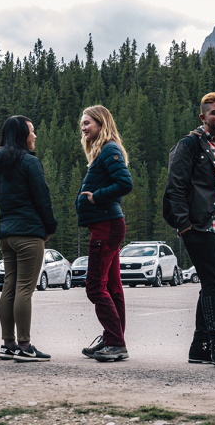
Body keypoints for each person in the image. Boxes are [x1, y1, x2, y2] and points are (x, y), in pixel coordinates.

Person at [163, 92, 215, 369]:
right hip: (199, 227)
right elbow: (175, 188)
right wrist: (184, 225)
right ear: (203, 117)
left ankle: (199, 346)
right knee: (213, 284)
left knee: (212, 283)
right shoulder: (190, 145)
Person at [0, 116, 57, 362]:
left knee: (9, 287)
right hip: (29, 233)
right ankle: (25, 346)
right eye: (31, 131)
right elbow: (42, 198)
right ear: (20, 135)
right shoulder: (30, 163)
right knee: (25, 290)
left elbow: (0, 196)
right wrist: (49, 226)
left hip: (6, 233)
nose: (35, 136)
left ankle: (8, 344)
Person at [76, 105, 133, 362]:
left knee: (94, 287)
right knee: (112, 286)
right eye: (82, 124)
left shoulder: (109, 148)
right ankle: (114, 339)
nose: (83, 127)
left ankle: (115, 342)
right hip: (106, 224)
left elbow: (125, 183)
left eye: (87, 122)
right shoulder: (104, 150)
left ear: (101, 123)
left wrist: (95, 197)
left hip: (106, 225)